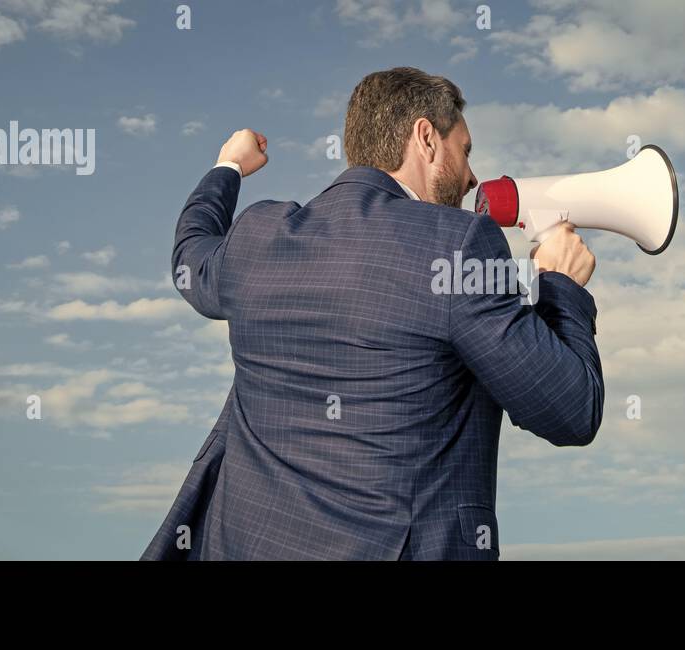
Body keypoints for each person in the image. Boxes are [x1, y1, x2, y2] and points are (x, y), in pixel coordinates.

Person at [142, 67, 602, 560]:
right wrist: (559, 285)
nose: (472, 177)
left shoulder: (259, 233)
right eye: (465, 150)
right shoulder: (460, 243)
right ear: (425, 138)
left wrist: (227, 166)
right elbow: (570, 411)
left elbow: (190, 255)